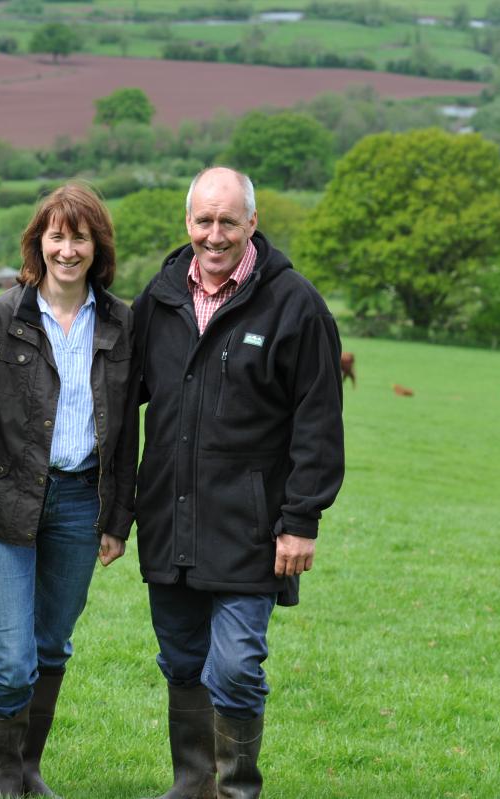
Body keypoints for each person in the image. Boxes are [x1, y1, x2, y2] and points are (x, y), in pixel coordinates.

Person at [128, 166, 345, 799]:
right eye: (204, 220)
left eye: (228, 221)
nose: (214, 234)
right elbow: (122, 399)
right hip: (169, 521)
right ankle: (192, 785)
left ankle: (236, 791)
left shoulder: (293, 303)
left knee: (237, 668)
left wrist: (302, 520)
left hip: (251, 528)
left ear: (252, 223)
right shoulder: (161, 298)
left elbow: (319, 421)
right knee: (182, 662)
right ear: (187, 223)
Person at [0, 182, 136, 798]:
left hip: (82, 505)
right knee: (12, 658)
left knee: (52, 645)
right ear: (39, 243)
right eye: (57, 235)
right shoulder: (0, 318)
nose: (68, 249)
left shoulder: (123, 323)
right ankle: (4, 772)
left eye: (80, 236)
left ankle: (29, 768)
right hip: (5, 505)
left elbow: (129, 428)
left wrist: (117, 519)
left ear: (96, 246)